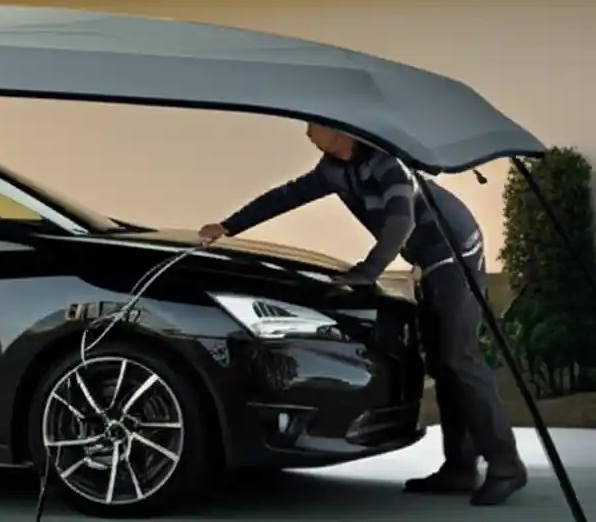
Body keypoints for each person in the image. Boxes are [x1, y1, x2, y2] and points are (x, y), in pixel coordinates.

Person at [197, 122, 527, 506]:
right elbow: (287, 196)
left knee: (459, 358)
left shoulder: (389, 165)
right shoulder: (333, 169)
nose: (308, 133)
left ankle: (506, 466)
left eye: (315, 126)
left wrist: (368, 271)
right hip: (428, 258)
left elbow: (401, 222)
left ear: (343, 132)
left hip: (456, 253)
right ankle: (460, 468)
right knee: (442, 362)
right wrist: (228, 226)